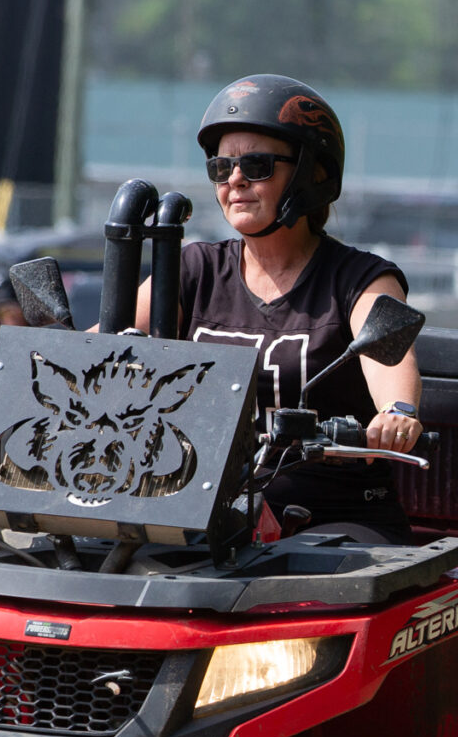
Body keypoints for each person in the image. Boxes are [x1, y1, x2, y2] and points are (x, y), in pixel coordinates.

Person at [127, 73, 424, 541]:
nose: (235, 179)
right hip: (202, 514)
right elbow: (106, 348)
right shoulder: (193, 269)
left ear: (311, 174)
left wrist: (397, 412)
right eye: (221, 167)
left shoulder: (360, 278)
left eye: (257, 165)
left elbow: (390, 363)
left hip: (336, 521)